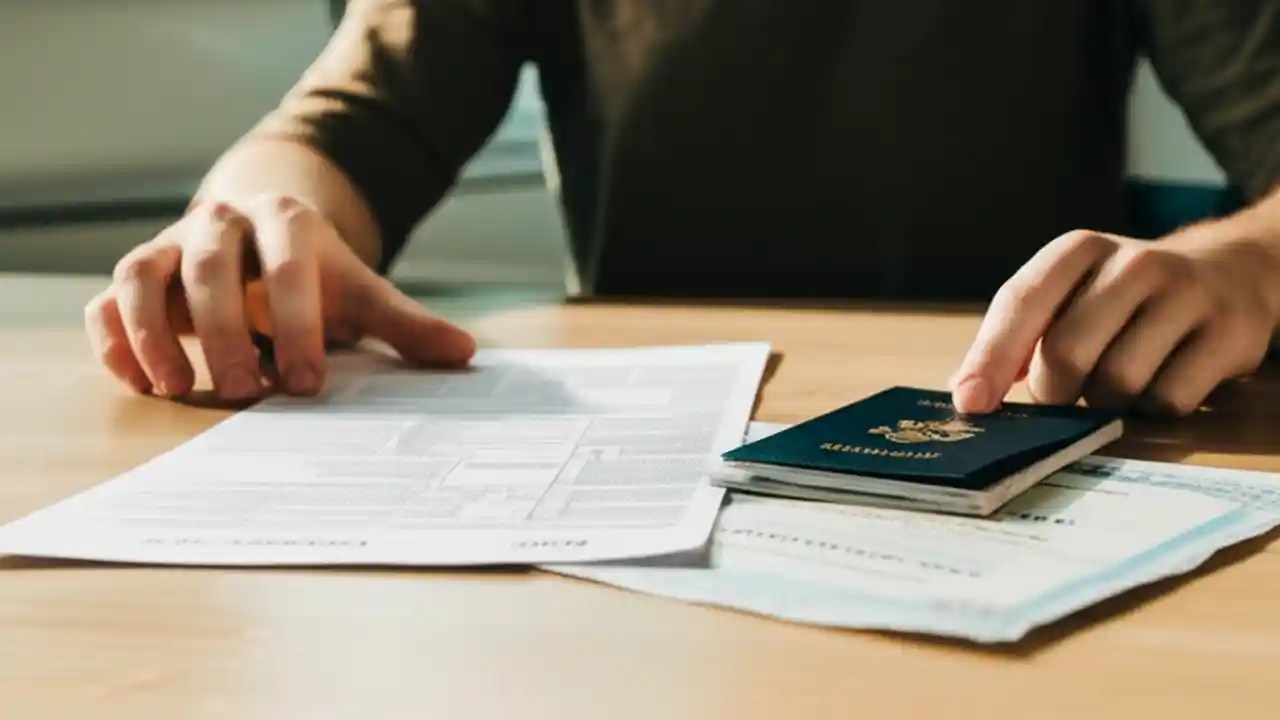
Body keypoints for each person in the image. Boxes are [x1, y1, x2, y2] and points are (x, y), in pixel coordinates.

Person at [84, 1, 1280, 417]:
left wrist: (1243, 260)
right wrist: (251, 220)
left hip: (1021, 432)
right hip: (640, 475)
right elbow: (346, 124)